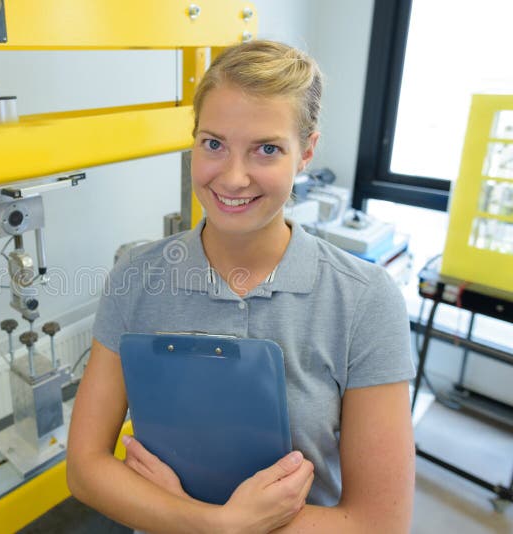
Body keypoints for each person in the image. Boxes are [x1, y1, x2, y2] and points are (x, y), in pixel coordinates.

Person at [66, 40, 415, 533]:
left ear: (306, 153)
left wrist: (194, 520)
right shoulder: (134, 277)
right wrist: (220, 526)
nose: (233, 178)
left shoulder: (363, 300)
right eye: (214, 144)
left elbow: (379, 523)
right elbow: (84, 469)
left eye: (267, 149)